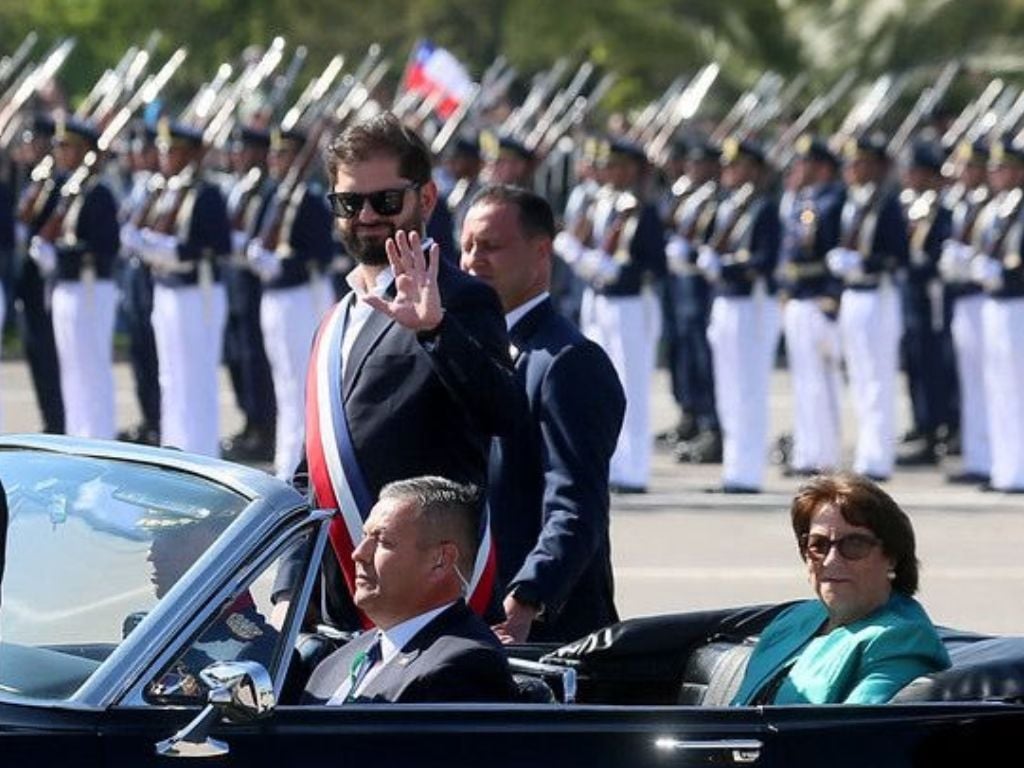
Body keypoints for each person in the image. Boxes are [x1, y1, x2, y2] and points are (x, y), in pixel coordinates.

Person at [274, 112, 520, 631]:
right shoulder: (335, 319)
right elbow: (309, 476)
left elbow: (507, 415)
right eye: (349, 203)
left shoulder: (461, 299)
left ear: (425, 199)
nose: (366, 216)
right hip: (342, 597)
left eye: (385, 201)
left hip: (426, 597)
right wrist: (289, 592)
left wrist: (436, 330)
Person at [460, 184, 625, 643]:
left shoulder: (567, 361)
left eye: (491, 246)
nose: (473, 260)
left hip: (540, 630)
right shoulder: (469, 347)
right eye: (467, 246)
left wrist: (530, 595)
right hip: (473, 612)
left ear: (540, 253)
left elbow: (575, 506)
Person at [731, 473, 950, 705]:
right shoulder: (791, 620)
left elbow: (851, 733)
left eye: (855, 544)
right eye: (818, 545)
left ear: (892, 557)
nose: (830, 561)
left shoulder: (901, 639)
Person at [302, 477, 514, 704]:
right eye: (365, 537)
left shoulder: (463, 666)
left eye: (382, 541)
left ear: (440, 560)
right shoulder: (337, 661)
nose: (359, 554)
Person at [123, 119, 232, 457]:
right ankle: (176, 451)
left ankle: (202, 453)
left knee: (196, 379)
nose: (165, 156)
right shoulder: (163, 190)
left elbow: (219, 245)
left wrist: (171, 250)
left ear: (189, 154)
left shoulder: (207, 192)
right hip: (166, 289)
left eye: (173, 150)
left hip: (194, 291)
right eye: (163, 150)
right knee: (170, 378)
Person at [29, 117, 120, 439]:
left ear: (84, 151)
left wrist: (61, 254)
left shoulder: (99, 193)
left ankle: (101, 441)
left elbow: (106, 246)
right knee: (72, 374)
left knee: (92, 372)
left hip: (90, 287)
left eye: (65, 146)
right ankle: (79, 439)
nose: (59, 152)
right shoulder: (67, 189)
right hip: (66, 287)